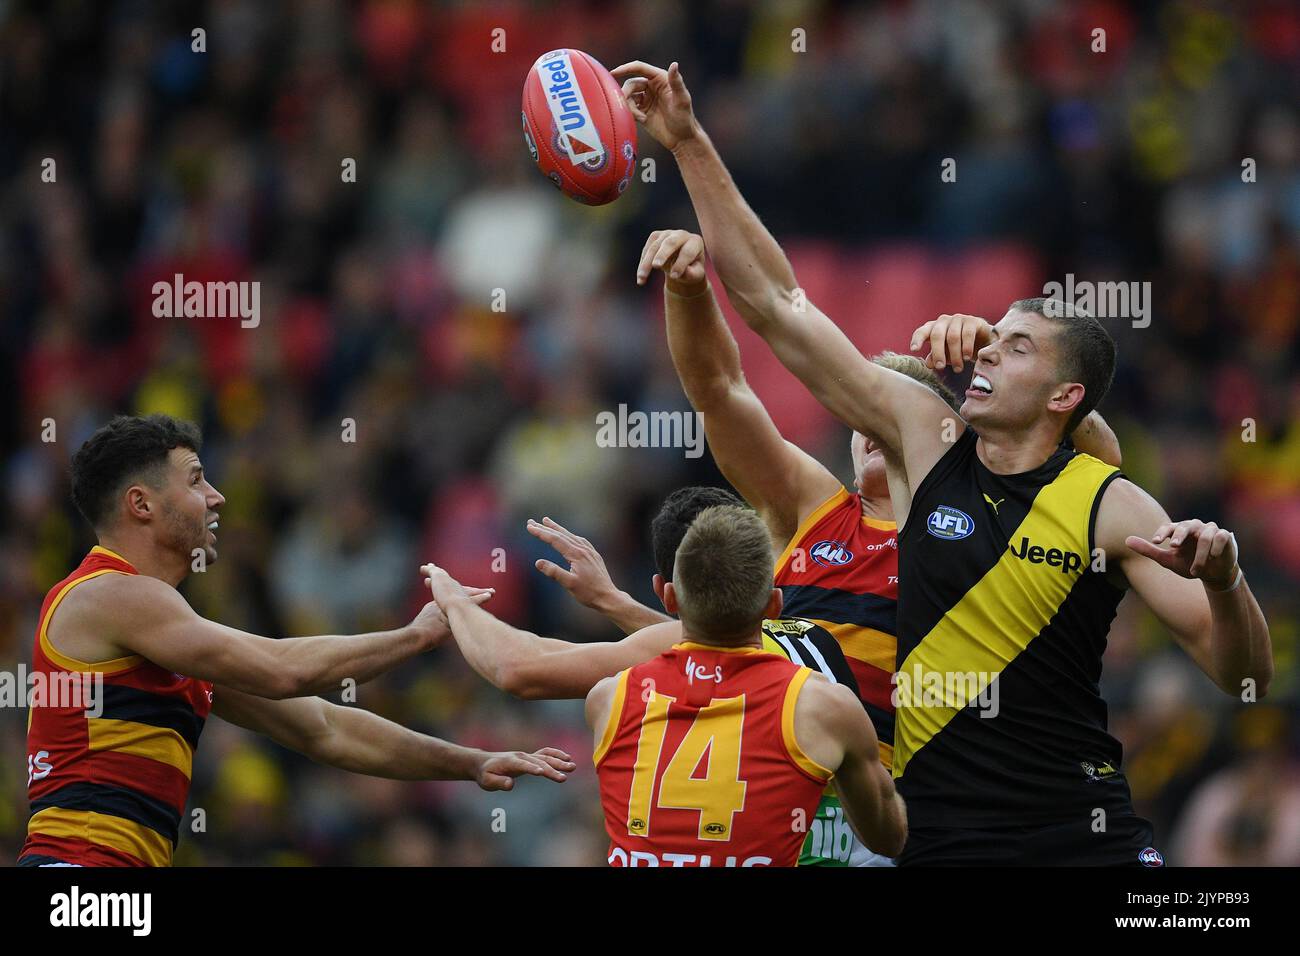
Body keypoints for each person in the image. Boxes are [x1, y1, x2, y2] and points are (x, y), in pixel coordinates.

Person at [613, 59, 1274, 865]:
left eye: (1016, 346)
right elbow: (778, 305)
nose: (987, 349)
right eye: (992, 335)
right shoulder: (925, 443)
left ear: (1066, 395)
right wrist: (685, 141)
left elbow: (1242, 673)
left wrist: (1224, 580)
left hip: (1079, 838)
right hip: (941, 846)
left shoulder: (1109, 504)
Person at [20, 414, 573, 867]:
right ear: (141, 504)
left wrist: (471, 763)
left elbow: (326, 727)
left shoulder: (160, 633)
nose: (216, 498)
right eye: (194, 480)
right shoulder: (113, 594)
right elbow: (281, 668)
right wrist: (416, 635)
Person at [432, 505, 907, 866]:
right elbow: (888, 837)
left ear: (670, 596)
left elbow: (512, 667)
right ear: (775, 604)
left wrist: (456, 603)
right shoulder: (826, 707)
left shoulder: (609, 698)